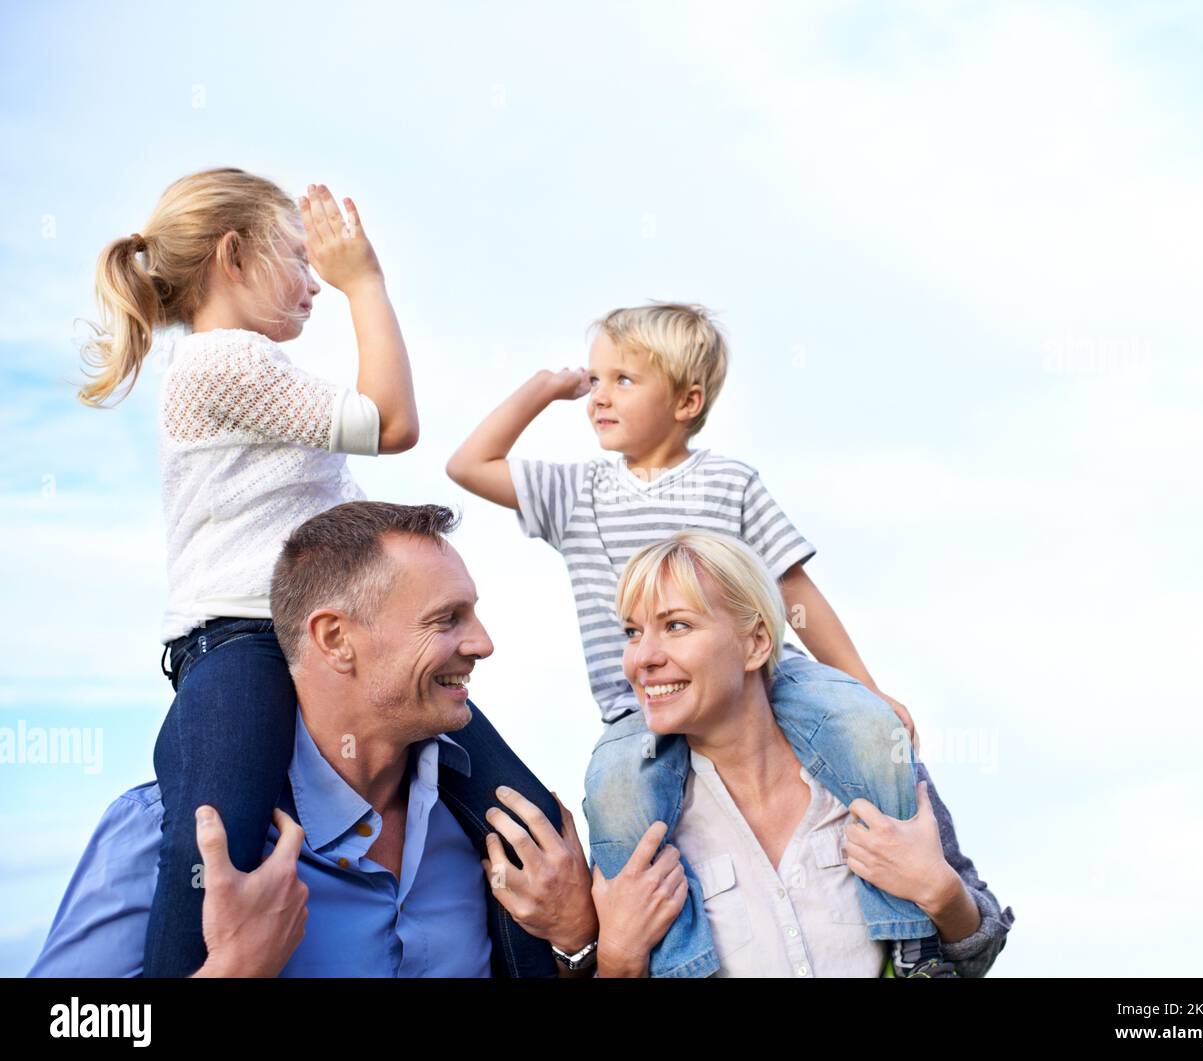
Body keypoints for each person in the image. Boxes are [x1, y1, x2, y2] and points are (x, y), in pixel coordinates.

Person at [446, 302, 948, 977]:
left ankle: (908, 935)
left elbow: (794, 590)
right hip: (638, 704)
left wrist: (863, 683)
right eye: (594, 379)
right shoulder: (577, 491)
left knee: (864, 726)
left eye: (624, 379)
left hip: (766, 682)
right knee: (615, 786)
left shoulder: (729, 482)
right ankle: (683, 962)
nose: (599, 396)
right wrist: (544, 387)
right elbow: (469, 463)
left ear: (687, 400)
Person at [77, 168, 424, 976]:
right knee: (214, 849)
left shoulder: (244, 365)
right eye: (299, 260)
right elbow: (394, 422)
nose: (314, 283)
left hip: (315, 633)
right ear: (233, 256)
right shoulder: (222, 361)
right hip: (242, 640)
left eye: (320, 268)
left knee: (493, 794)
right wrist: (363, 282)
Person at [28, 502, 599, 978]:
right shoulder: (160, 831)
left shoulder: (486, 833)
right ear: (335, 639)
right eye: (446, 619)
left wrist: (575, 942)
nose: (482, 643)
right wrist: (232, 969)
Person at [588, 530, 1014, 977]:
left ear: (756, 643)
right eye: (633, 632)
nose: (643, 658)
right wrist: (618, 958)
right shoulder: (636, 820)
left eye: (676, 625)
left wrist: (942, 893)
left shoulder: (866, 770)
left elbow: (978, 955)